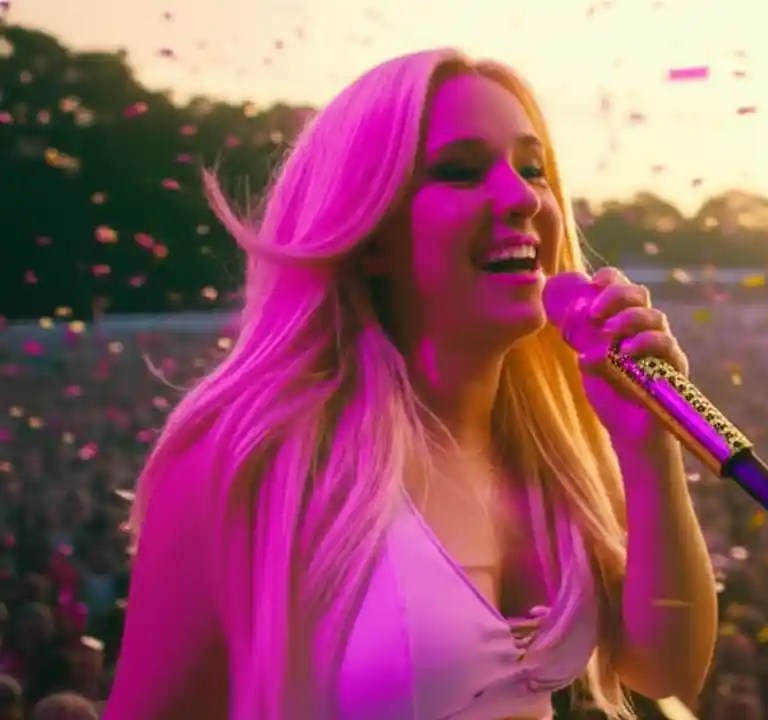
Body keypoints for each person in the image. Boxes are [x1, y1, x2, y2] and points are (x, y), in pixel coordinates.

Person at [104, 48, 718, 720]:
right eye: (460, 172)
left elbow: (666, 668)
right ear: (368, 236)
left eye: (532, 168)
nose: (520, 197)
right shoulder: (250, 456)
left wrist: (648, 444)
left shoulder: (542, 453)